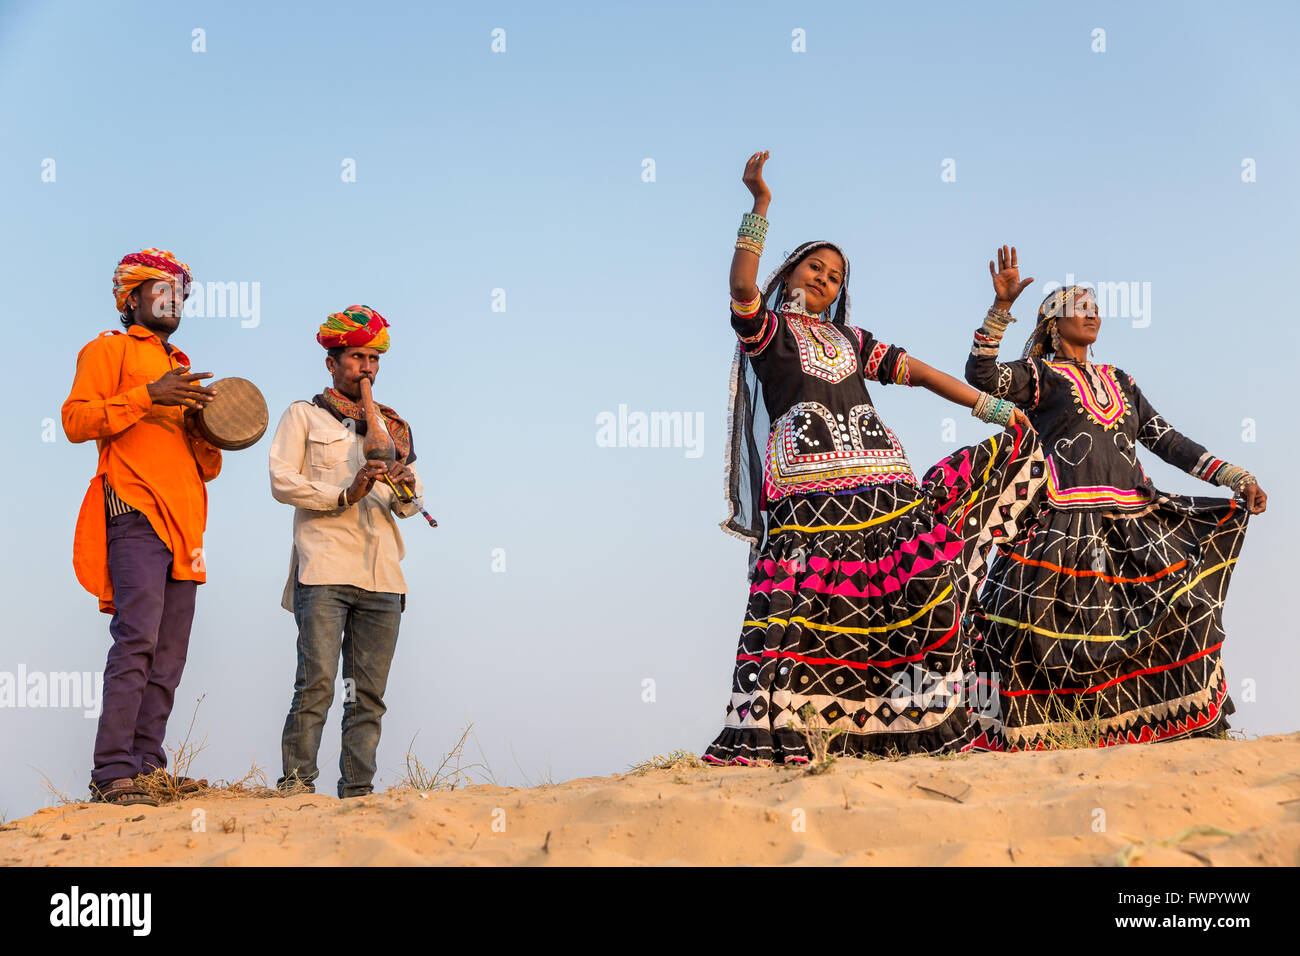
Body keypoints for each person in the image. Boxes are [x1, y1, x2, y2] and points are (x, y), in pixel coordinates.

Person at [704, 153, 1048, 764]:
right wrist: (760, 206)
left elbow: (924, 375)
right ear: (788, 274)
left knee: (919, 591)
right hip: (809, 494)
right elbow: (739, 287)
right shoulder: (769, 334)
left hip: (885, 484)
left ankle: (914, 724)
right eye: (815, 267)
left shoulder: (852, 342)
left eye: (836, 276)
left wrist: (995, 411)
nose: (824, 280)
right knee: (808, 611)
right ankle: (798, 733)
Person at [964, 247, 1267, 750]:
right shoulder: (1039, 377)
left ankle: (1171, 729)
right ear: (1051, 323)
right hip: (1060, 526)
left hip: (1134, 524)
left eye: (1095, 305)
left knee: (1183, 609)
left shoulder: (1121, 381)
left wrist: (1234, 477)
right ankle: (1051, 738)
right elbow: (981, 376)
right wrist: (999, 310)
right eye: (1079, 306)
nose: (1092, 312)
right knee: (1037, 633)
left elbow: (1166, 439)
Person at [62, 249, 221, 806]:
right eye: (162, 290)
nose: (174, 300)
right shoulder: (108, 349)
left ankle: (148, 768)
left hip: (186, 526)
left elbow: (206, 465)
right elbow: (76, 419)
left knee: (170, 653)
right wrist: (149, 395)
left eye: (181, 293)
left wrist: (207, 426)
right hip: (132, 510)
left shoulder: (181, 362)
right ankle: (111, 772)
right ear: (130, 299)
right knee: (137, 640)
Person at [269, 306, 423, 798]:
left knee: (369, 696)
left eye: (375, 359)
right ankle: (296, 788)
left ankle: (357, 793)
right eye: (358, 357)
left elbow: (413, 506)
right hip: (325, 567)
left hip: (383, 576)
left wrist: (404, 486)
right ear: (333, 363)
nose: (369, 368)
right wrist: (343, 494)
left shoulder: (395, 427)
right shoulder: (304, 415)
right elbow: (281, 480)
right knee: (315, 685)